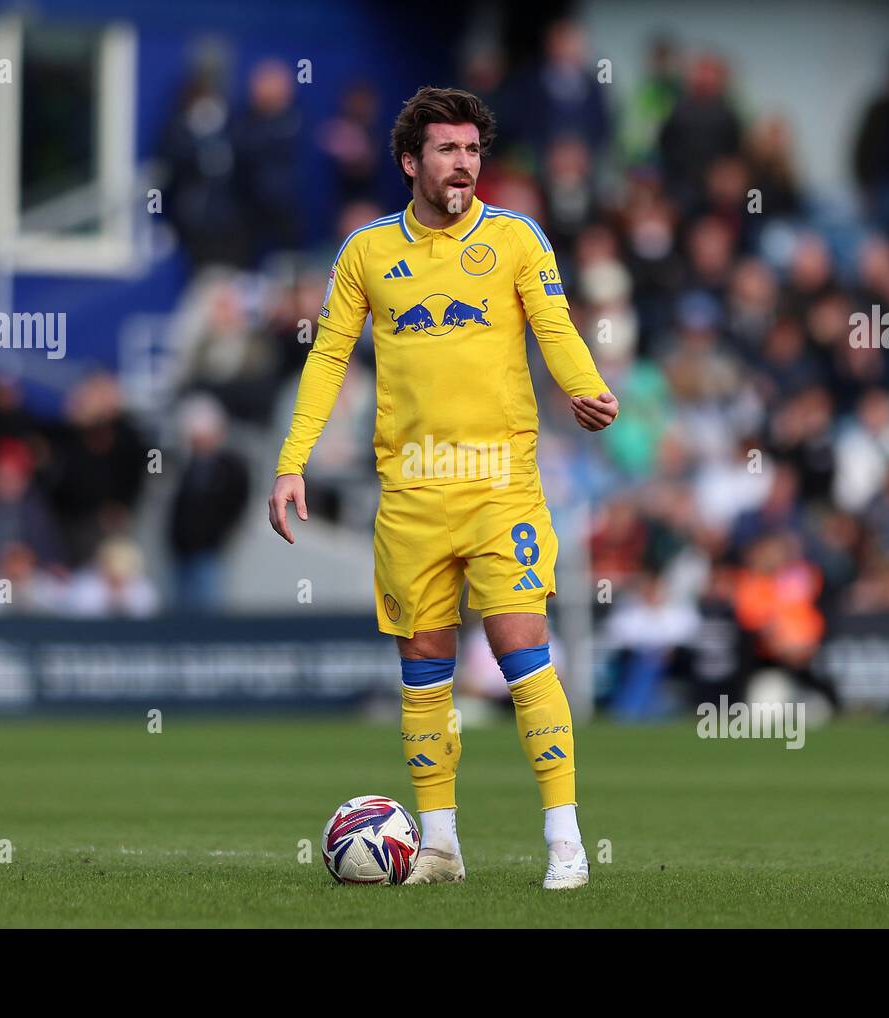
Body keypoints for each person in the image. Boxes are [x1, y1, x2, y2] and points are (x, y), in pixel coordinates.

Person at [269, 87, 619, 890]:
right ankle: (439, 846)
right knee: (424, 666)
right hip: (412, 496)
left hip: (501, 487)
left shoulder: (516, 238)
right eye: (447, 151)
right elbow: (328, 358)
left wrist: (584, 386)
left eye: (472, 151)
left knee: (522, 651)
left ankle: (566, 840)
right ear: (410, 163)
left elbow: (554, 327)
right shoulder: (364, 254)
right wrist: (292, 461)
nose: (463, 165)